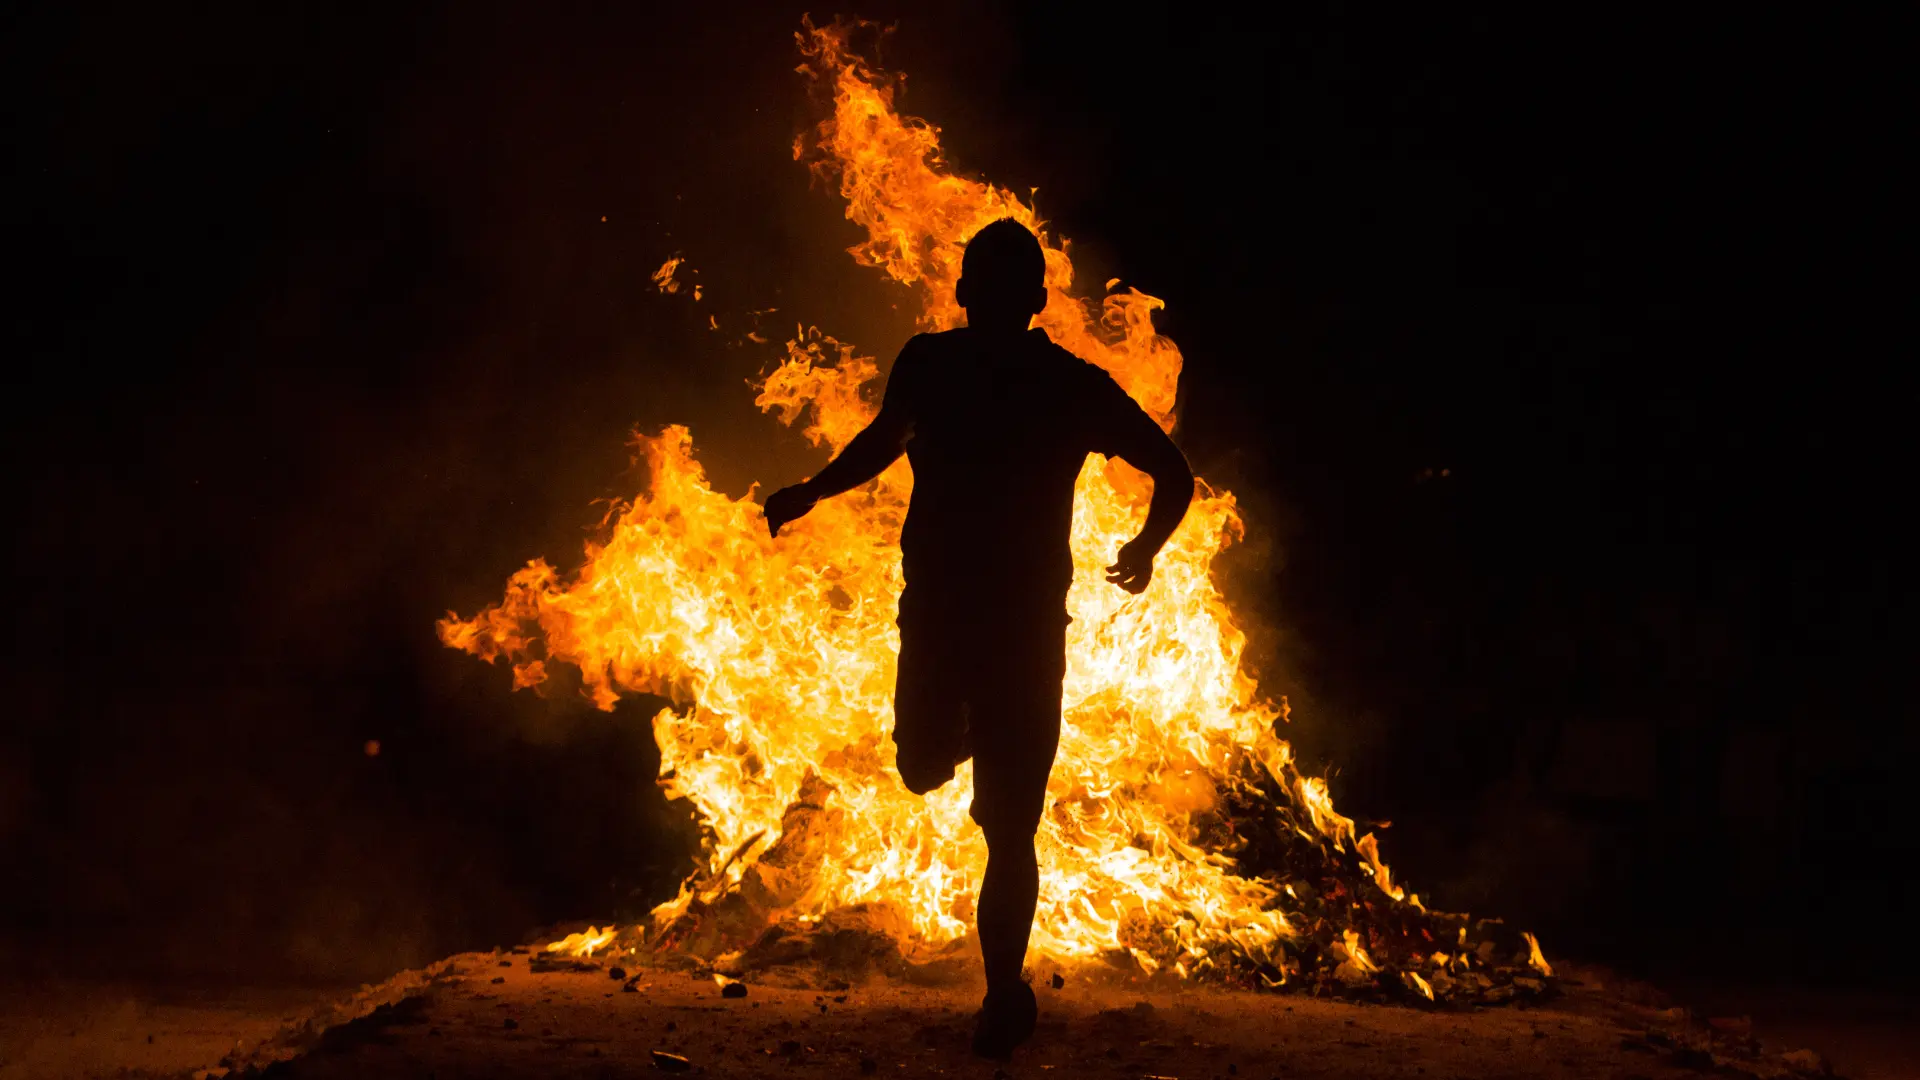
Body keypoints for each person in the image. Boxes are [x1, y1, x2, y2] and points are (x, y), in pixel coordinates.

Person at [763, 219, 1194, 1059]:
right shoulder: (937, 367)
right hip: (947, 620)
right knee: (922, 768)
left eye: (1002, 287)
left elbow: (1173, 472)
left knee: (1007, 828)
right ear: (989, 298)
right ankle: (969, 738)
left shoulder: (1062, 384)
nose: (992, 299)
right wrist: (815, 490)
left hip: (1021, 631)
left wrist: (1146, 547)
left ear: (1028, 301)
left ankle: (1004, 997)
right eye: (986, 286)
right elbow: (882, 444)